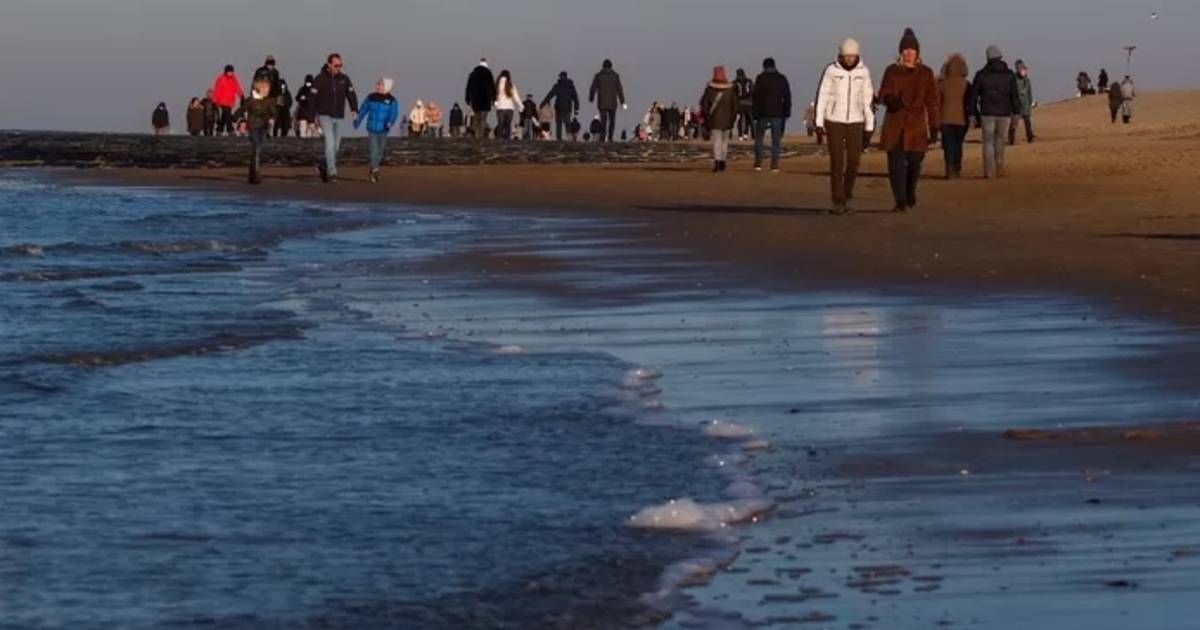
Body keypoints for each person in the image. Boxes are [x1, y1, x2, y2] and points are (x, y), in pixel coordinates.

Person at [879, 27, 940, 212]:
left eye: (912, 49)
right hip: (895, 122)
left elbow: (933, 101)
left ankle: (909, 192)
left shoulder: (926, 73)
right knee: (895, 164)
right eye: (905, 49)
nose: (909, 53)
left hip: (916, 125)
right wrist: (890, 99)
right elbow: (883, 92)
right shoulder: (892, 70)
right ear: (901, 52)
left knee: (914, 162)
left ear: (917, 52)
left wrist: (934, 126)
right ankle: (900, 201)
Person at [815, 37, 876, 214]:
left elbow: (867, 100)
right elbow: (822, 95)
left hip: (856, 121)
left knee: (854, 161)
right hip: (834, 120)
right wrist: (819, 122)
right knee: (837, 162)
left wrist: (869, 126)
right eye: (846, 56)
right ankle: (837, 201)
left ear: (857, 56)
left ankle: (847, 195)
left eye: (852, 56)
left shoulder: (863, 72)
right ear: (841, 56)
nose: (849, 59)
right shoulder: (831, 70)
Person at [968, 45, 1021, 179]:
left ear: (987, 58)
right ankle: (999, 168)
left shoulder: (981, 74)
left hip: (987, 113)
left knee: (988, 142)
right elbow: (1015, 96)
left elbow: (973, 96)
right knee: (1000, 140)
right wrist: (1016, 112)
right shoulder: (1009, 75)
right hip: (1003, 113)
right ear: (1000, 57)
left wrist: (972, 114)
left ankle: (989, 172)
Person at [312, 53, 358, 183]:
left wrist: (354, 109)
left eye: (340, 65)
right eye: (336, 65)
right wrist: (311, 118)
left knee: (336, 147)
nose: (339, 68)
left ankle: (323, 165)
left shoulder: (344, 79)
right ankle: (332, 172)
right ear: (329, 65)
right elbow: (312, 99)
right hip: (324, 115)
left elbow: (351, 94)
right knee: (330, 144)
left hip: (339, 115)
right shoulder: (319, 79)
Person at [354, 78, 400, 183]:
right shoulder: (371, 97)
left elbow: (394, 113)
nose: (379, 87)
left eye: (381, 85)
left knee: (380, 152)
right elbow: (363, 109)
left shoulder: (392, 100)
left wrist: (390, 122)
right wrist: (357, 120)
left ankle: (373, 167)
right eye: (378, 85)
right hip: (372, 129)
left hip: (384, 129)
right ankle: (375, 169)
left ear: (387, 87)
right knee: (374, 151)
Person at [231, 77, 275, 184]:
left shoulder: (269, 101)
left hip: (264, 128)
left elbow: (274, 113)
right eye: (265, 88)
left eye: (268, 88)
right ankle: (256, 174)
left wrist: (272, 118)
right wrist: (237, 119)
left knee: (258, 149)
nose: (268, 90)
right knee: (257, 148)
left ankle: (252, 173)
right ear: (259, 88)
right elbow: (240, 110)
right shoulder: (250, 100)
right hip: (253, 127)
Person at [752, 57, 792, 173]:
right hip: (778, 112)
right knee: (776, 140)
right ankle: (774, 165)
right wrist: (787, 112)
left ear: (764, 66)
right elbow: (787, 97)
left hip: (762, 112)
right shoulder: (782, 79)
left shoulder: (760, 78)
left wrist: (754, 113)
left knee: (759, 138)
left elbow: (756, 97)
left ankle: (758, 163)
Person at [938, 53, 971, 179]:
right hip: (961, 119)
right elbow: (969, 102)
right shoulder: (965, 84)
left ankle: (949, 169)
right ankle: (957, 168)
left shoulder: (942, 84)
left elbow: (937, 102)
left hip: (945, 118)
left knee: (948, 146)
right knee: (958, 145)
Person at [700, 66, 738, 173]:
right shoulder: (730, 90)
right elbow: (735, 106)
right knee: (724, 141)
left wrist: (707, 117)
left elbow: (704, 105)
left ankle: (717, 162)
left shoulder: (709, 90)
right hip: (728, 120)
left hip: (714, 120)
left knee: (717, 141)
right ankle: (722, 161)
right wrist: (733, 118)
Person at [589, 59, 626, 142]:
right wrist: (622, 101)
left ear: (603, 66)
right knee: (612, 121)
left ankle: (602, 138)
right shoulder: (615, 76)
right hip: (612, 102)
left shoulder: (598, 76)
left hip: (602, 102)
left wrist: (591, 98)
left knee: (603, 121)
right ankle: (610, 137)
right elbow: (619, 90)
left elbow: (593, 88)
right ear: (611, 66)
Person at [541, 71, 580, 141]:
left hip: (559, 107)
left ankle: (559, 138)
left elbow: (550, 95)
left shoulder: (558, 85)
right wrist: (576, 109)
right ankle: (568, 137)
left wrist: (542, 104)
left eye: (561, 76)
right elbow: (575, 98)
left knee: (559, 124)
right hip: (567, 108)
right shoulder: (570, 86)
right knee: (567, 123)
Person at [465, 59, 496, 139]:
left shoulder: (472, 74)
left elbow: (468, 88)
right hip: (486, 99)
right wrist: (494, 99)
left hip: (475, 100)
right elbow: (492, 87)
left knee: (476, 117)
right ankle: (480, 135)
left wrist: (467, 99)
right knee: (483, 118)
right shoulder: (488, 74)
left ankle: (477, 134)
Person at [211, 65, 244, 135]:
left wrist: (241, 95)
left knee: (224, 115)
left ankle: (219, 129)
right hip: (222, 100)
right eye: (229, 72)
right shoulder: (221, 79)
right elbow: (217, 90)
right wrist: (214, 100)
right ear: (225, 72)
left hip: (230, 101)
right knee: (227, 114)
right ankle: (230, 129)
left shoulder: (234, 79)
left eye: (231, 72)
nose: (230, 73)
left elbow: (237, 87)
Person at [1009, 60, 1035, 145]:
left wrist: (1030, 102)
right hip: (1016, 106)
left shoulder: (1027, 80)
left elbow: (1029, 93)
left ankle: (1030, 137)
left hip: (1026, 105)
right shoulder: (1013, 79)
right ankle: (1011, 139)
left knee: (1028, 122)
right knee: (1014, 124)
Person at [494, 70, 520, 140]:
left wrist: (495, 103)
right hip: (509, 108)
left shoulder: (497, 84)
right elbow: (516, 97)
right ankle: (507, 140)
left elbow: (494, 95)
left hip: (500, 108)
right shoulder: (511, 85)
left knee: (500, 124)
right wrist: (521, 106)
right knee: (508, 125)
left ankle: (498, 138)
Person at [734, 68, 754, 140]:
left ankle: (740, 135)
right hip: (749, 103)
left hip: (739, 103)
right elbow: (752, 91)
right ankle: (748, 134)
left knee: (740, 119)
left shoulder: (735, 82)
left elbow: (734, 93)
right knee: (749, 119)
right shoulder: (749, 81)